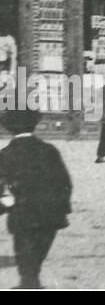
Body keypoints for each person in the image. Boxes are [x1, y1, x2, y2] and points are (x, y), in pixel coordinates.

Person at [0, 108, 72, 288]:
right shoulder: (49, 150)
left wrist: (4, 205)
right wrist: (61, 205)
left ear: (9, 128)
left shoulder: (6, 153)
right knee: (40, 249)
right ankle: (32, 279)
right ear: (34, 125)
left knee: (24, 250)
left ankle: (29, 280)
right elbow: (65, 182)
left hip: (23, 213)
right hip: (51, 212)